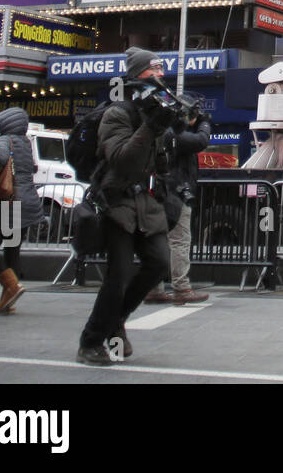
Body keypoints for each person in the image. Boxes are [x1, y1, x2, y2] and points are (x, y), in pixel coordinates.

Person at [76, 48, 175, 366]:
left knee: (159, 263)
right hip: (117, 202)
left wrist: (171, 133)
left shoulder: (156, 111)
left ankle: (115, 319)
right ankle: (91, 340)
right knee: (118, 276)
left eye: (161, 69)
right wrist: (150, 127)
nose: (160, 75)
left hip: (147, 203)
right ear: (138, 75)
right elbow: (122, 159)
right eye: (153, 70)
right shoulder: (117, 114)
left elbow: (158, 163)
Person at [0, 106, 48, 314]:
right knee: (12, 251)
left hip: (5, 202)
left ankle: (11, 286)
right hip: (25, 202)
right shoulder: (26, 143)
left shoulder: (3, 142)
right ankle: (8, 300)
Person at [146, 98, 211, 305]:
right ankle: (181, 287)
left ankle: (154, 289)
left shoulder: (157, 131)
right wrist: (204, 123)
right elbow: (201, 141)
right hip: (175, 192)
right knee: (179, 240)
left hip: (157, 192)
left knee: (158, 240)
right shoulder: (172, 134)